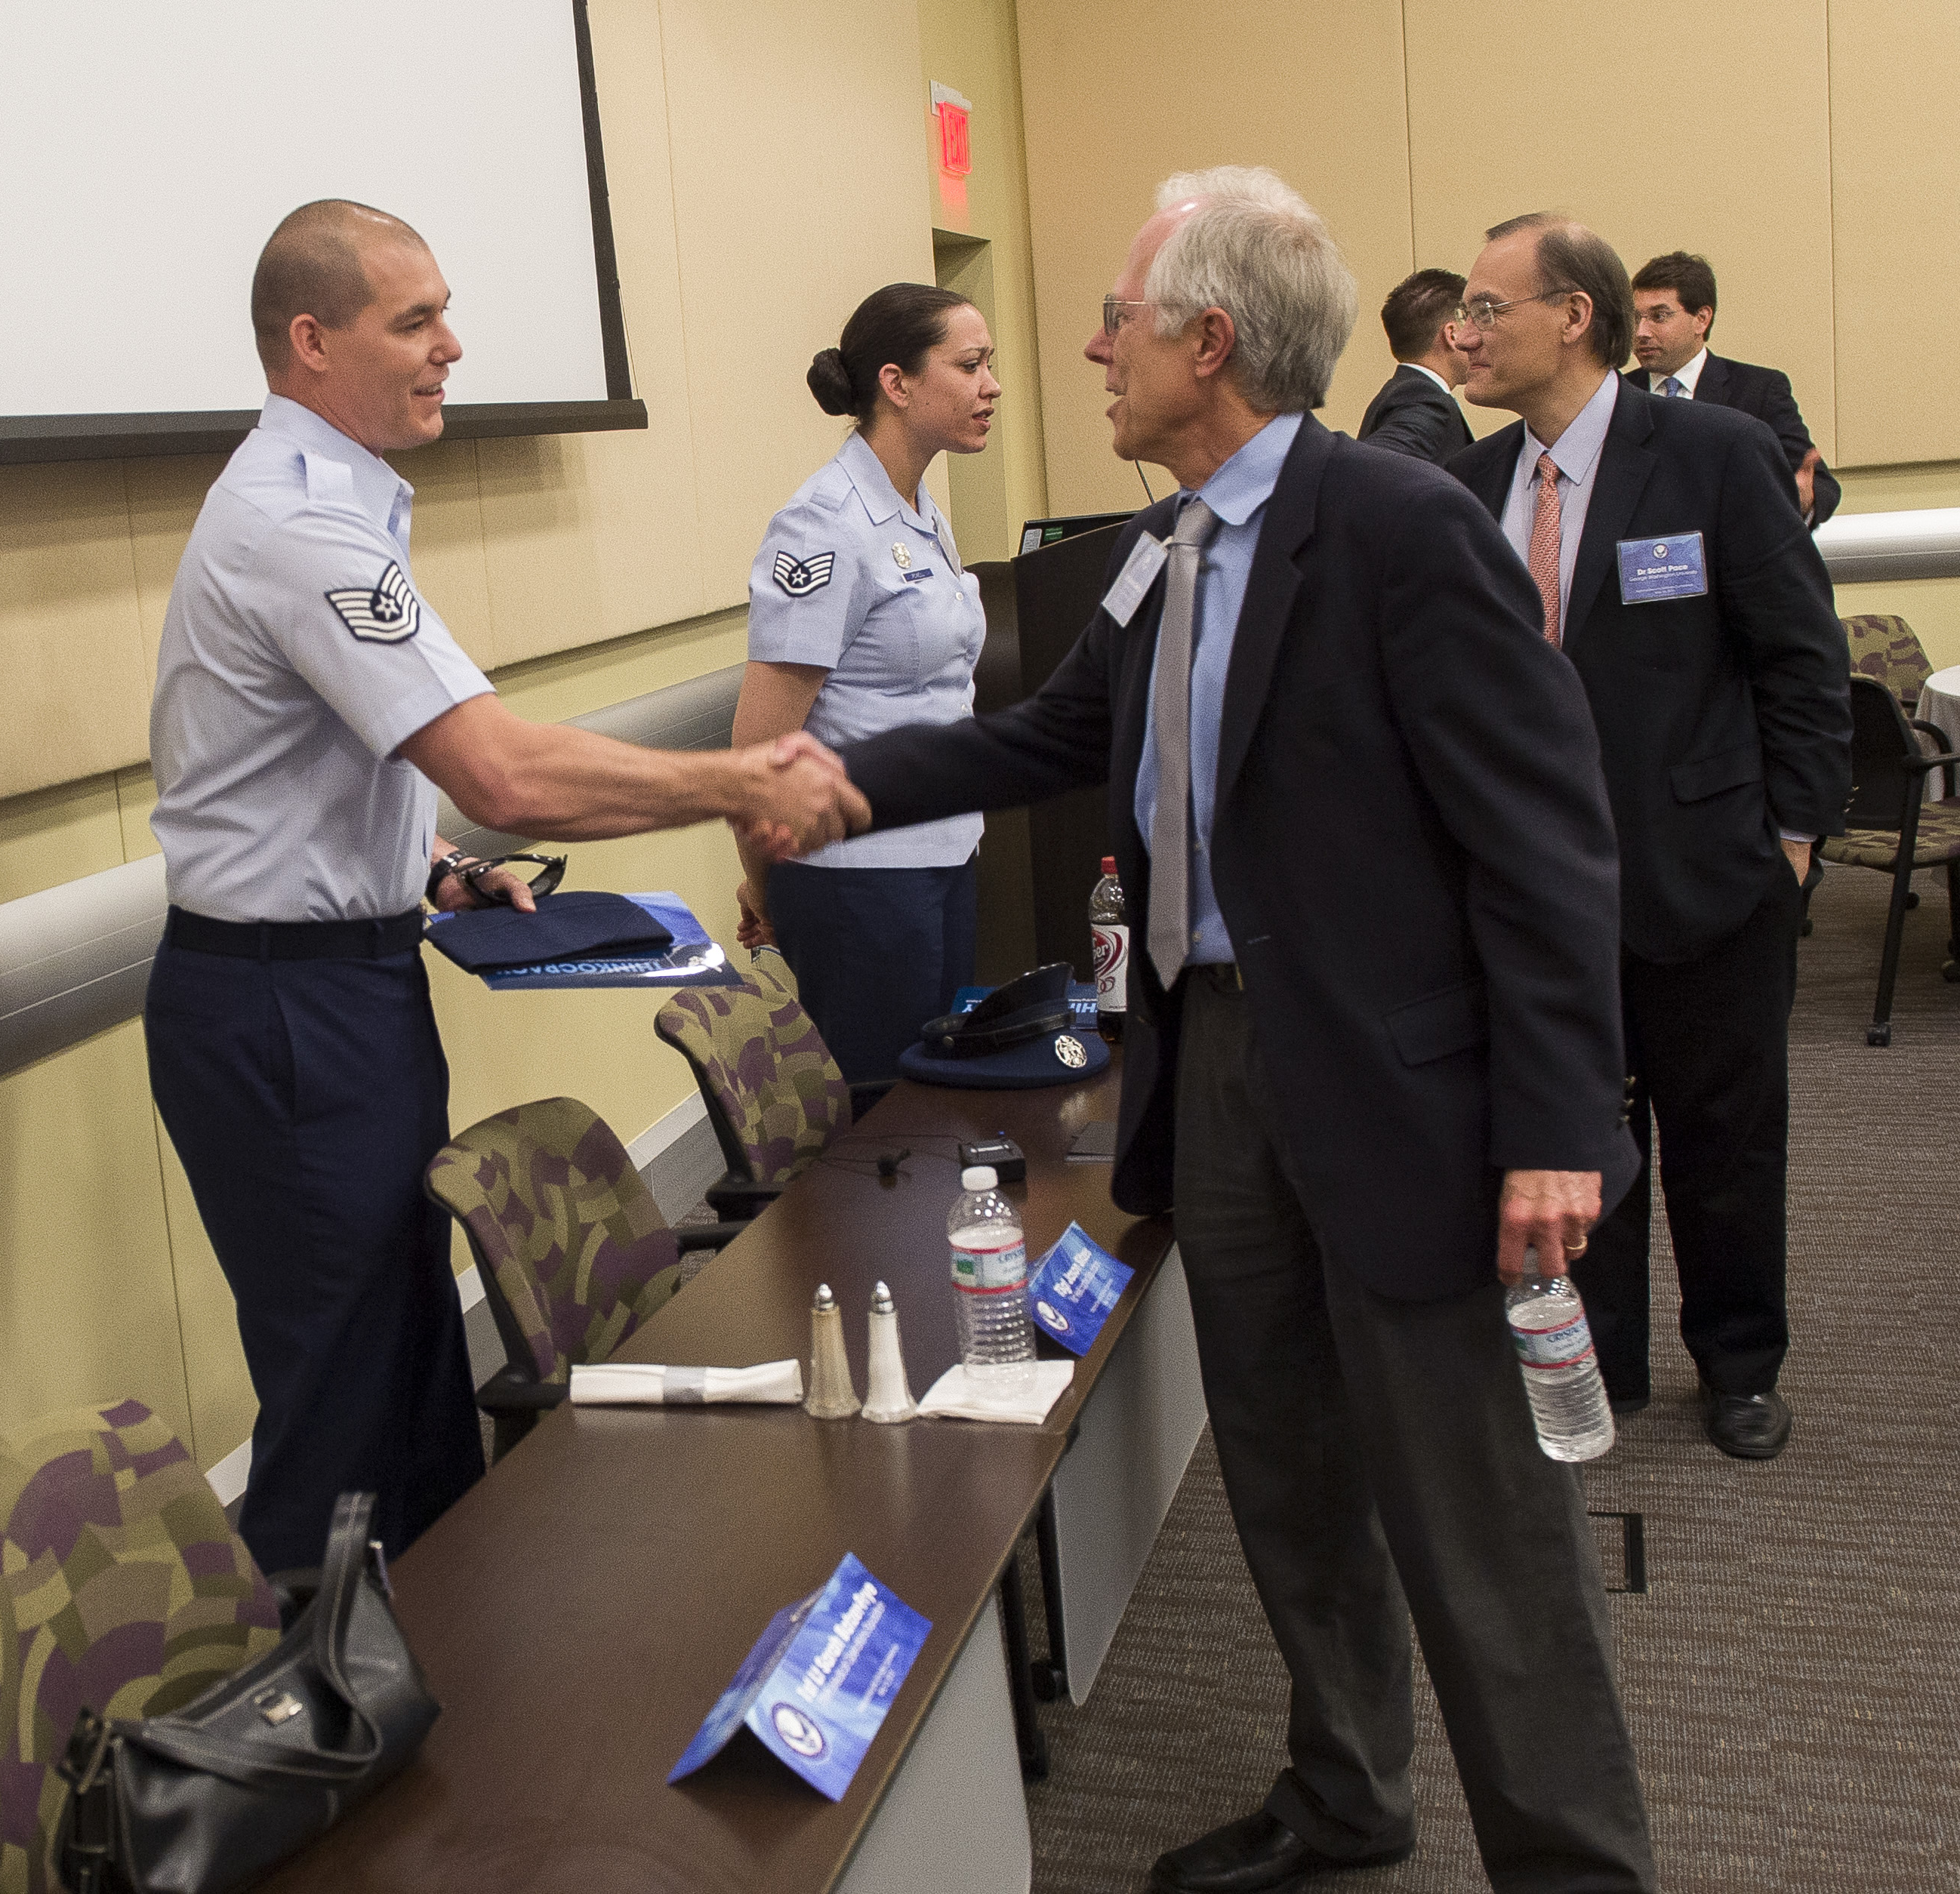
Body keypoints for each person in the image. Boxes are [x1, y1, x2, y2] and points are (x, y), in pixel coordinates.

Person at [822, 168, 1656, 1892]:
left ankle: (1579, 1867)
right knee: (1281, 1465)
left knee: (1480, 1524)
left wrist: (1561, 1121)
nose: (1086, 349)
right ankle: (1351, 1788)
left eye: (1118, 325)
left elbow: (1551, 839)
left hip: (1406, 1091)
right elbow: (1042, 739)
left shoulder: (1400, 525)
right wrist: (824, 779)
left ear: (1210, 343)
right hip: (1219, 1073)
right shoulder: (1152, 553)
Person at [144, 199, 865, 1577]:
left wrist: (434, 866)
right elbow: (507, 770)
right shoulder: (297, 527)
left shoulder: (335, 505)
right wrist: (741, 781)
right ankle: (317, 1737)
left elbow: (318, 775)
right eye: (412, 321)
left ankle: (425, 1721)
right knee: (344, 1402)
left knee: (411, 1370)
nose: (451, 346)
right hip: (281, 1009)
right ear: (310, 342)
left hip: (340, 982)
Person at [1447, 215, 1850, 1461]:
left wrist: (1793, 846)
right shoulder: (1466, 488)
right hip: (1536, 902)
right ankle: (1601, 1359)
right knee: (1574, 1135)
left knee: (1726, 1141)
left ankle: (1738, 1359)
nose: (1461, 334)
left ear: (1572, 315)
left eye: (1484, 308)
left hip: (1709, 875)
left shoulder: (1714, 453)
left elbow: (1801, 659)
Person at [730, 283, 1003, 1083]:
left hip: (945, 852)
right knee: (882, 1130)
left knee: (939, 1101)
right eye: (971, 365)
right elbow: (760, 746)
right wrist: (763, 882)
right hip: (858, 879)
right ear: (897, 382)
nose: (991, 386)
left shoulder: (922, 510)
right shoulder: (825, 525)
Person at [1621, 249, 1841, 525]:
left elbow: (1822, 486)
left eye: (1659, 316)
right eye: (1636, 317)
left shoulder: (1758, 391)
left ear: (1702, 318)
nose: (1641, 332)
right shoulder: (1619, 395)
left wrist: (1800, 502)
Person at [1353, 267, 1474, 463]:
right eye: (1474, 321)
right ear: (1452, 334)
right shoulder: (1426, 400)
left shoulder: (1399, 392)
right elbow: (1371, 468)